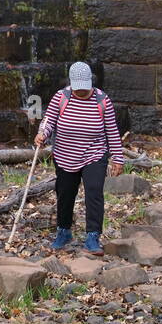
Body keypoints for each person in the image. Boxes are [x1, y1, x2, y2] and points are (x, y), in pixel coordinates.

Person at [33, 61, 125, 255]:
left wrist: (118, 157)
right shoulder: (61, 97)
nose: (81, 92)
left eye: (85, 88)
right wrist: (42, 134)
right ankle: (63, 231)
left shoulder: (102, 100)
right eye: (78, 88)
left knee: (94, 192)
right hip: (65, 154)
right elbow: (48, 121)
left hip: (94, 154)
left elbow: (112, 131)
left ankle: (93, 236)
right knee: (65, 193)